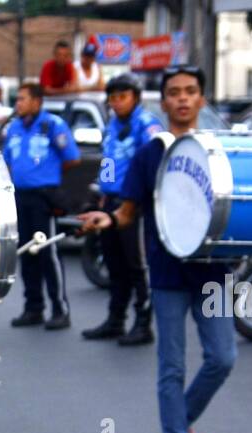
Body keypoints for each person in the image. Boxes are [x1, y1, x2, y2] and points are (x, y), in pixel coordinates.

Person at [78, 66, 232, 433]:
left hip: (215, 269)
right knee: (171, 366)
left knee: (223, 358)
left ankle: (182, 423)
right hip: (167, 271)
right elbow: (128, 214)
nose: (182, 99)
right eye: (174, 93)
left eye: (190, 92)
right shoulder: (150, 154)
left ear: (201, 99)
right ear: (163, 103)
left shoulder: (220, 150)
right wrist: (105, 219)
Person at [81, 73, 162, 345]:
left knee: (137, 266)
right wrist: (104, 195)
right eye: (112, 98)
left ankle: (143, 323)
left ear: (135, 98)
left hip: (135, 204)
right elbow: (109, 163)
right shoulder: (112, 126)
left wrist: (138, 199)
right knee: (115, 264)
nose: (116, 103)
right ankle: (115, 320)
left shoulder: (147, 126)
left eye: (122, 97)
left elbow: (153, 168)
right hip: (112, 202)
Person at [2, 82, 80, 330]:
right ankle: (33, 308)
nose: (18, 104)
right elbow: (7, 161)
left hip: (43, 197)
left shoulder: (52, 125)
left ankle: (60, 309)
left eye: (22, 99)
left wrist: (46, 176)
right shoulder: (14, 128)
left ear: (37, 101)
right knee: (28, 252)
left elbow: (72, 158)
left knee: (48, 253)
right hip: (21, 197)